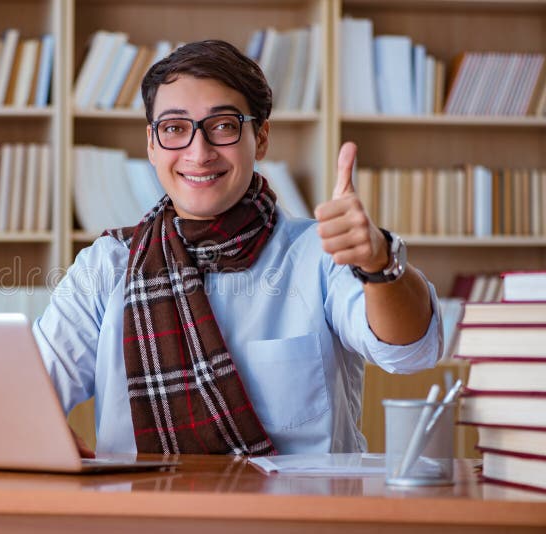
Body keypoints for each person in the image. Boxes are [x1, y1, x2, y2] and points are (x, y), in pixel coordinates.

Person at [33, 40, 442, 457]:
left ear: (260, 138)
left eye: (223, 126)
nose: (199, 152)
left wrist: (379, 265)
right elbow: (29, 391)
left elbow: (411, 351)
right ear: (152, 145)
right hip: (146, 517)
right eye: (174, 128)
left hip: (294, 518)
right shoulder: (107, 263)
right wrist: (40, 431)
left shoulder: (321, 253)